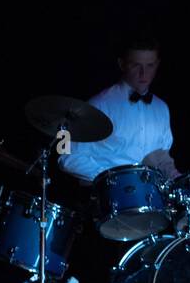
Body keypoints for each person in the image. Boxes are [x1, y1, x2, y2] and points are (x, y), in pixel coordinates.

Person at [58, 33, 180, 183]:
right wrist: (112, 177)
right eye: (136, 65)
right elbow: (68, 158)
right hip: (108, 199)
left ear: (157, 64)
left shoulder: (162, 109)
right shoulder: (98, 105)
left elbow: (161, 158)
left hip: (151, 198)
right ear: (122, 64)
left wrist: (177, 178)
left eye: (150, 65)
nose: (144, 73)